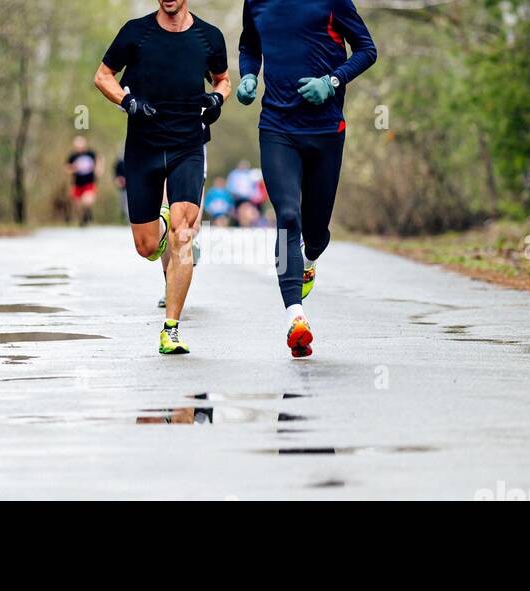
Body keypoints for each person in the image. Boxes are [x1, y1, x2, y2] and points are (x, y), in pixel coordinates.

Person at [237, 0, 376, 358]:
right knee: (287, 215)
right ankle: (295, 318)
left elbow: (367, 49)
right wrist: (249, 75)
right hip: (276, 127)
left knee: (315, 234)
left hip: (326, 131)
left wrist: (332, 81)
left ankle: (310, 259)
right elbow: (249, 45)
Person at [94, 0, 231, 355]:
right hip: (143, 148)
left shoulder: (209, 37)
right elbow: (102, 76)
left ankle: (170, 329)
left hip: (188, 144)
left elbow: (223, 81)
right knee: (146, 247)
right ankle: (163, 220)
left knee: (183, 233)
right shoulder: (135, 33)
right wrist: (127, 101)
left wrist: (217, 98)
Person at [66, 136, 98, 226]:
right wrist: (73, 168)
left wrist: (97, 170)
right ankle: (83, 218)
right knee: (77, 205)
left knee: (87, 200)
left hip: (89, 182)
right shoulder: (73, 156)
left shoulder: (91, 154)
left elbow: (98, 162)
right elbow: (67, 168)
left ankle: (87, 212)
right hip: (77, 183)